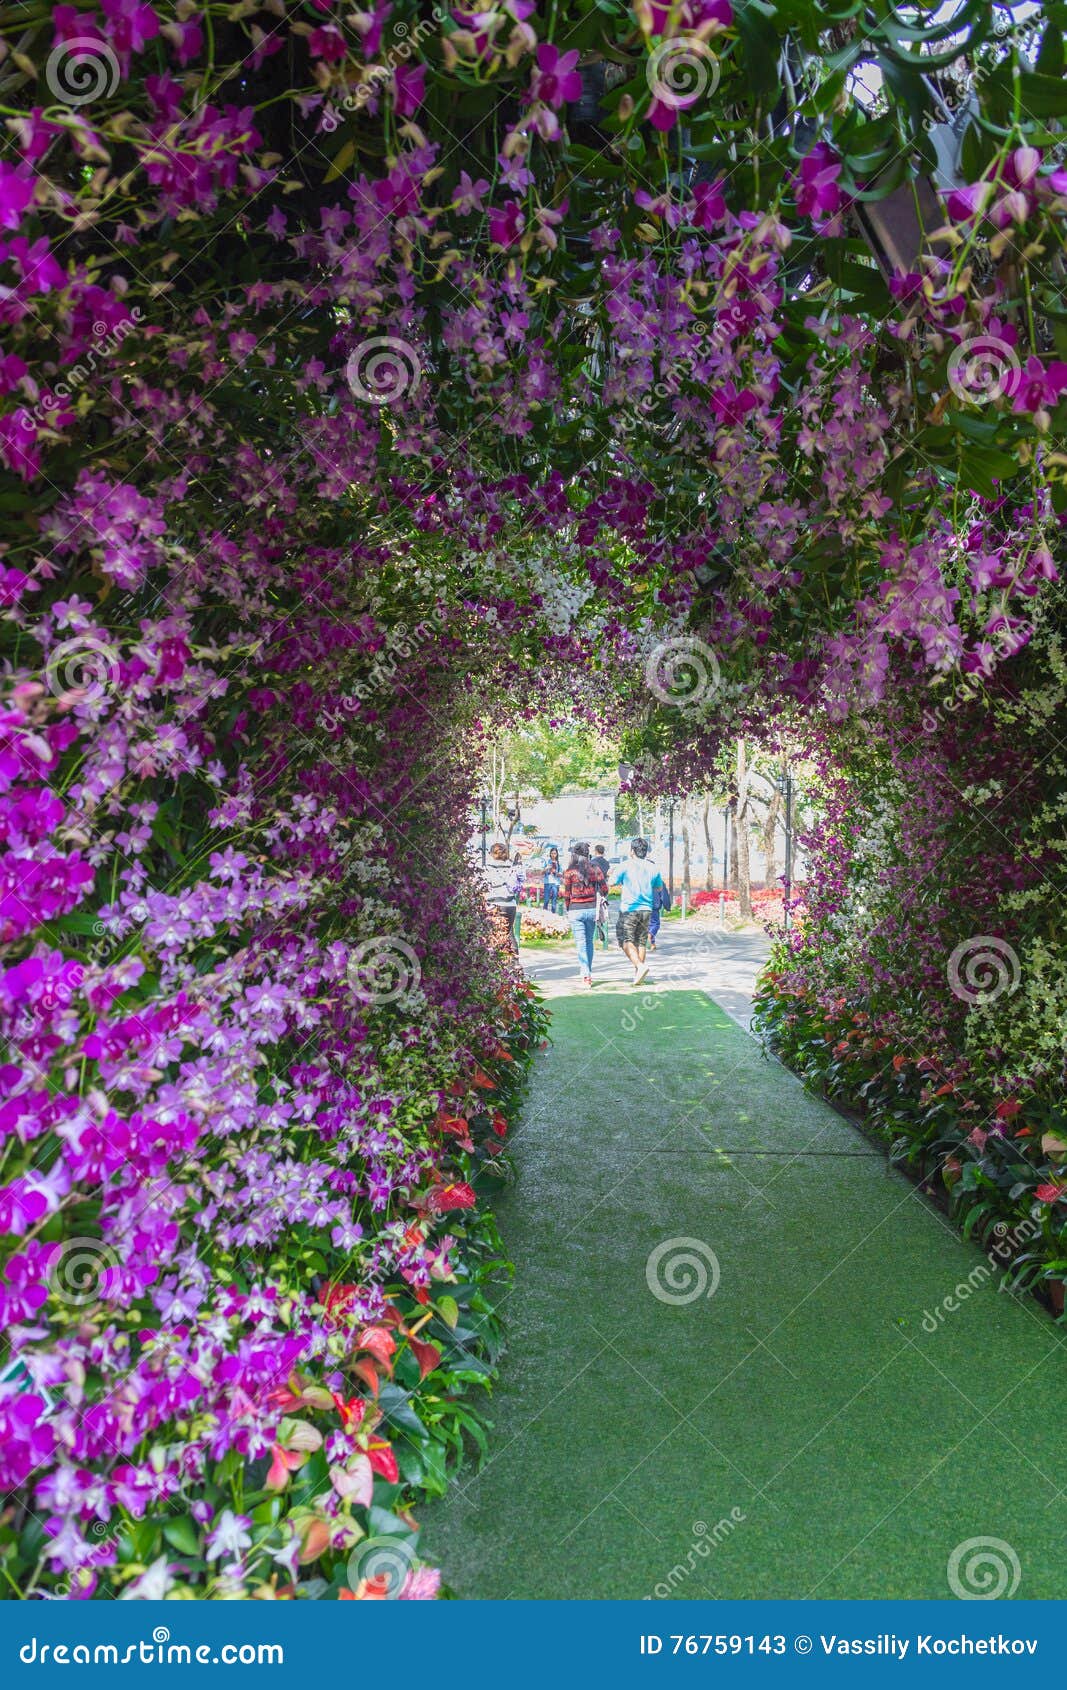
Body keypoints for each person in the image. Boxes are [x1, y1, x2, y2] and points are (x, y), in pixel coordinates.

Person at [609, 837, 664, 987]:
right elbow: (659, 887)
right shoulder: (653, 867)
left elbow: (611, 882)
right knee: (641, 941)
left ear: (632, 851)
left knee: (624, 940)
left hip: (629, 909)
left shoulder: (625, 865)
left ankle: (640, 967)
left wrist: (613, 874)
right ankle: (638, 974)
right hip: (647, 909)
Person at [562, 841, 606, 988]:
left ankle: (586, 975)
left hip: (575, 910)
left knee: (581, 944)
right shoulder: (595, 868)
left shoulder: (569, 872)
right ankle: (588, 973)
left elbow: (567, 894)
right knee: (588, 943)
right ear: (588, 854)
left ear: (574, 854)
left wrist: (568, 908)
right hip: (592, 910)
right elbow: (605, 889)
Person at [484, 842, 524, 956]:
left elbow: (482, 885)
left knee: (492, 935)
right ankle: (515, 962)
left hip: (495, 904)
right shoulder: (512, 866)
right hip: (510, 904)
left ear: (492, 853)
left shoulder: (489, 866)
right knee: (509, 933)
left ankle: (495, 962)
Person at [648, 875, 671, 950]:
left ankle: (652, 943)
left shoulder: (639, 880)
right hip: (654, 906)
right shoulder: (659, 882)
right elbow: (664, 896)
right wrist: (667, 907)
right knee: (655, 924)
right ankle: (649, 936)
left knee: (645, 924)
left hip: (640, 906)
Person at [542, 847, 562, 914]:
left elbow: (561, 874)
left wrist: (555, 872)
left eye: (555, 853)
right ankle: (544, 914)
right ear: (550, 854)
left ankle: (553, 915)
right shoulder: (547, 862)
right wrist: (546, 868)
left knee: (554, 900)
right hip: (547, 882)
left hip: (555, 883)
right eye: (552, 853)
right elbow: (542, 873)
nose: (553, 855)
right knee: (546, 900)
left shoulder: (559, 863)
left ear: (557, 854)